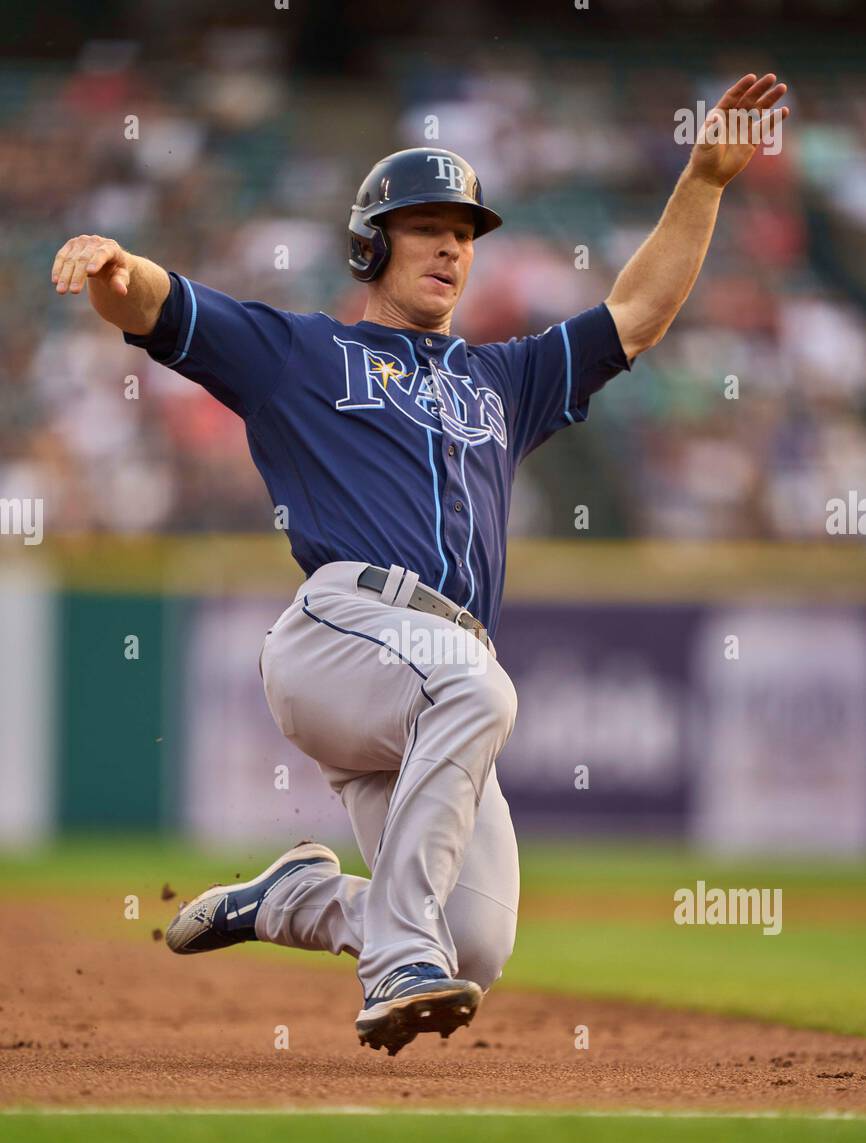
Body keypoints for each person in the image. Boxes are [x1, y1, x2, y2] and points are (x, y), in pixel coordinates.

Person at [51, 74, 789, 1055]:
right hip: (341, 635)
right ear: (371, 245)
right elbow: (165, 307)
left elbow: (637, 315)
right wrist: (113, 268)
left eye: (464, 232)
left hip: (432, 679)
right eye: (426, 227)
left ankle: (296, 899)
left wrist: (701, 183)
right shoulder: (304, 356)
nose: (451, 247)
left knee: (474, 941)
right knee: (476, 689)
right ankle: (395, 961)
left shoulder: (505, 378)